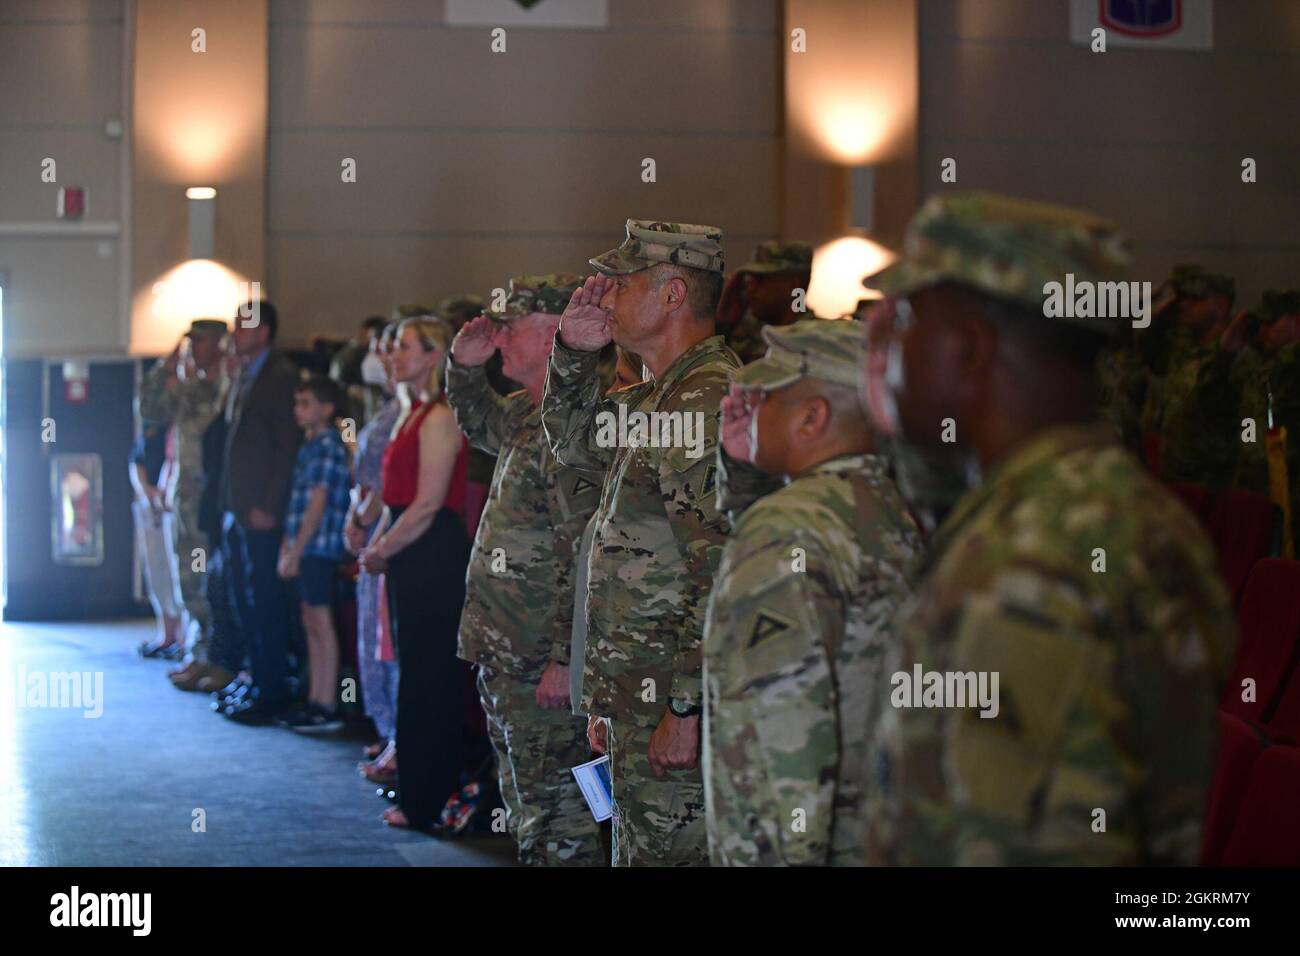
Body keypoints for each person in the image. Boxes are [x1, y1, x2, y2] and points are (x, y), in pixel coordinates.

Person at [859, 192, 1236, 865]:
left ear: (968, 347)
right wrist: (898, 416)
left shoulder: (1023, 571)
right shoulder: (1098, 508)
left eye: (907, 317)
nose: (884, 341)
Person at [542, 219, 737, 866]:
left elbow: (720, 567)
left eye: (621, 284)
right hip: (638, 692)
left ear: (674, 294)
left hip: (671, 696)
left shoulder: (703, 400)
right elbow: (572, 445)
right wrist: (572, 352)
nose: (603, 296)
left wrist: (685, 705)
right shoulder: (661, 394)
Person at [703, 319, 922, 866]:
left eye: (767, 398)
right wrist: (746, 469)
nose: (750, 409)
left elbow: (782, 743)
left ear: (812, 416)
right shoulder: (887, 506)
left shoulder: (786, 527)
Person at [447, 274, 605, 866]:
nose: (502, 336)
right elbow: (472, 418)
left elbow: (586, 548)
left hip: (544, 657)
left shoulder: (580, 427)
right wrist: (464, 367)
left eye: (514, 325)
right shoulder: (524, 414)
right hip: (505, 648)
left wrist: (569, 657)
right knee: (525, 803)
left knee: (560, 813)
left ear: (556, 334)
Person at [359, 316, 471, 832]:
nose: (394, 355)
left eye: (406, 348)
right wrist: (375, 541)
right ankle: (418, 787)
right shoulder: (410, 413)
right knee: (413, 672)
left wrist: (382, 547)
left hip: (433, 555)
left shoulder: (440, 417)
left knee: (430, 677)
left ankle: (429, 795)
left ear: (433, 355)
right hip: (409, 551)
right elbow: (396, 499)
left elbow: (427, 505)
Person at [218, 299, 304, 724]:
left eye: (243, 325)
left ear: (265, 331)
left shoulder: (281, 377)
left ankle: (272, 689)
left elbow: (287, 448)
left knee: (265, 600)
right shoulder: (244, 375)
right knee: (243, 598)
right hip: (237, 507)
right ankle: (254, 676)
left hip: (261, 511)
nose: (235, 332)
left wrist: (270, 506)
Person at [139, 319, 228, 689]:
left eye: (200, 341)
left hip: (211, 502)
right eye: (189, 341)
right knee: (187, 579)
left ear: (220, 344)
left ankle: (219, 657)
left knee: (208, 578)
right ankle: (198, 654)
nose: (193, 347)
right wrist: (169, 360)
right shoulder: (190, 388)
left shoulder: (224, 387)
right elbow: (149, 406)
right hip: (184, 502)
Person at [277, 375, 352, 733]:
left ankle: (327, 702)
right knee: (310, 619)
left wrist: (297, 548)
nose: (298, 410)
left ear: (327, 408)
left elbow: (318, 503)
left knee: (321, 622)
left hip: (319, 546)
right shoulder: (310, 445)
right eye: (297, 403)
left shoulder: (327, 446)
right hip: (307, 545)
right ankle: (316, 697)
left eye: (306, 403)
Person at [345, 324, 403, 776]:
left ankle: (399, 738)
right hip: (371, 530)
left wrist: (368, 522)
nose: (380, 358)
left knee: (389, 643)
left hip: (389, 536)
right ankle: (388, 732)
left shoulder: (408, 412)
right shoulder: (387, 408)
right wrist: (355, 517)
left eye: (389, 350)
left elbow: (390, 486)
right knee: (372, 638)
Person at [128, 418, 183, 657]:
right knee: (156, 570)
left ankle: (184, 638)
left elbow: (175, 463)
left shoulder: (183, 425)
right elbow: (136, 460)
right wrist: (148, 492)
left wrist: (165, 494)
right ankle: (166, 633)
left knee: (179, 572)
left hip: (175, 509)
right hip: (150, 508)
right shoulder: (152, 427)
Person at [717, 240, 815, 364]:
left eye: (760, 279)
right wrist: (723, 325)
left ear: (794, 284)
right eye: (749, 280)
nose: (750, 288)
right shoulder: (747, 332)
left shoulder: (819, 340)